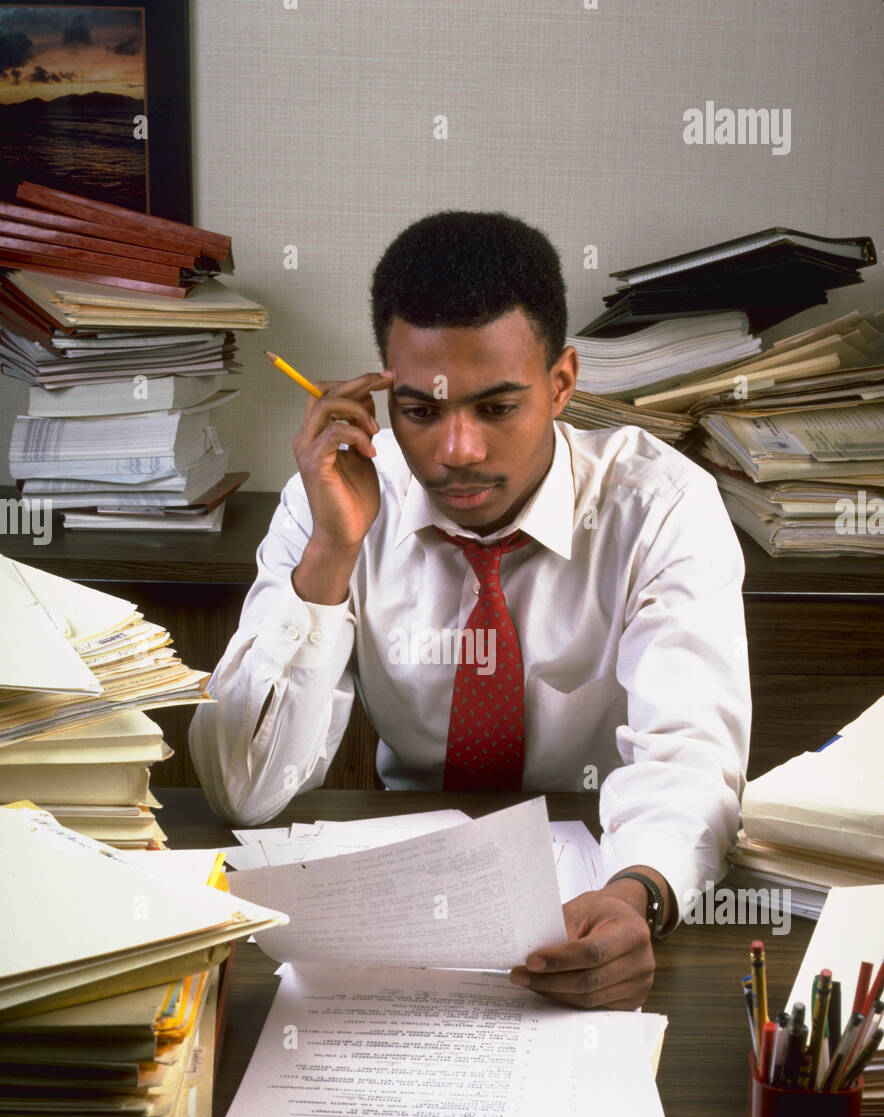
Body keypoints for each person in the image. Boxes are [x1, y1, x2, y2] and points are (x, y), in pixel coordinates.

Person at [189, 209, 751, 1010]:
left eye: (496, 408)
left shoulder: (661, 508)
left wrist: (637, 893)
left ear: (561, 384)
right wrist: (330, 556)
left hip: (597, 876)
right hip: (401, 899)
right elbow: (241, 792)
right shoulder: (331, 502)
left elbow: (688, 753)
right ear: (384, 398)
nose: (458, 451)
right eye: (421, 411)